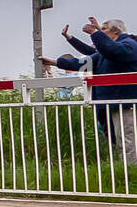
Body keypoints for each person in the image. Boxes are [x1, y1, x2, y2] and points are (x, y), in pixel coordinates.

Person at [42, 17, 137, 164]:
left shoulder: (129, 44)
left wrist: (94, 33)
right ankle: (121, 170)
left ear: (116, 31)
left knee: (128, 138)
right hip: (111, 102)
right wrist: (56, 62)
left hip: (124, 102)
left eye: (103, 28)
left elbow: (115, 52)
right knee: (116, 138)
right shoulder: (107, 51)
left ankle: (130, 172)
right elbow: (85, 62)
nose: (100, 30)